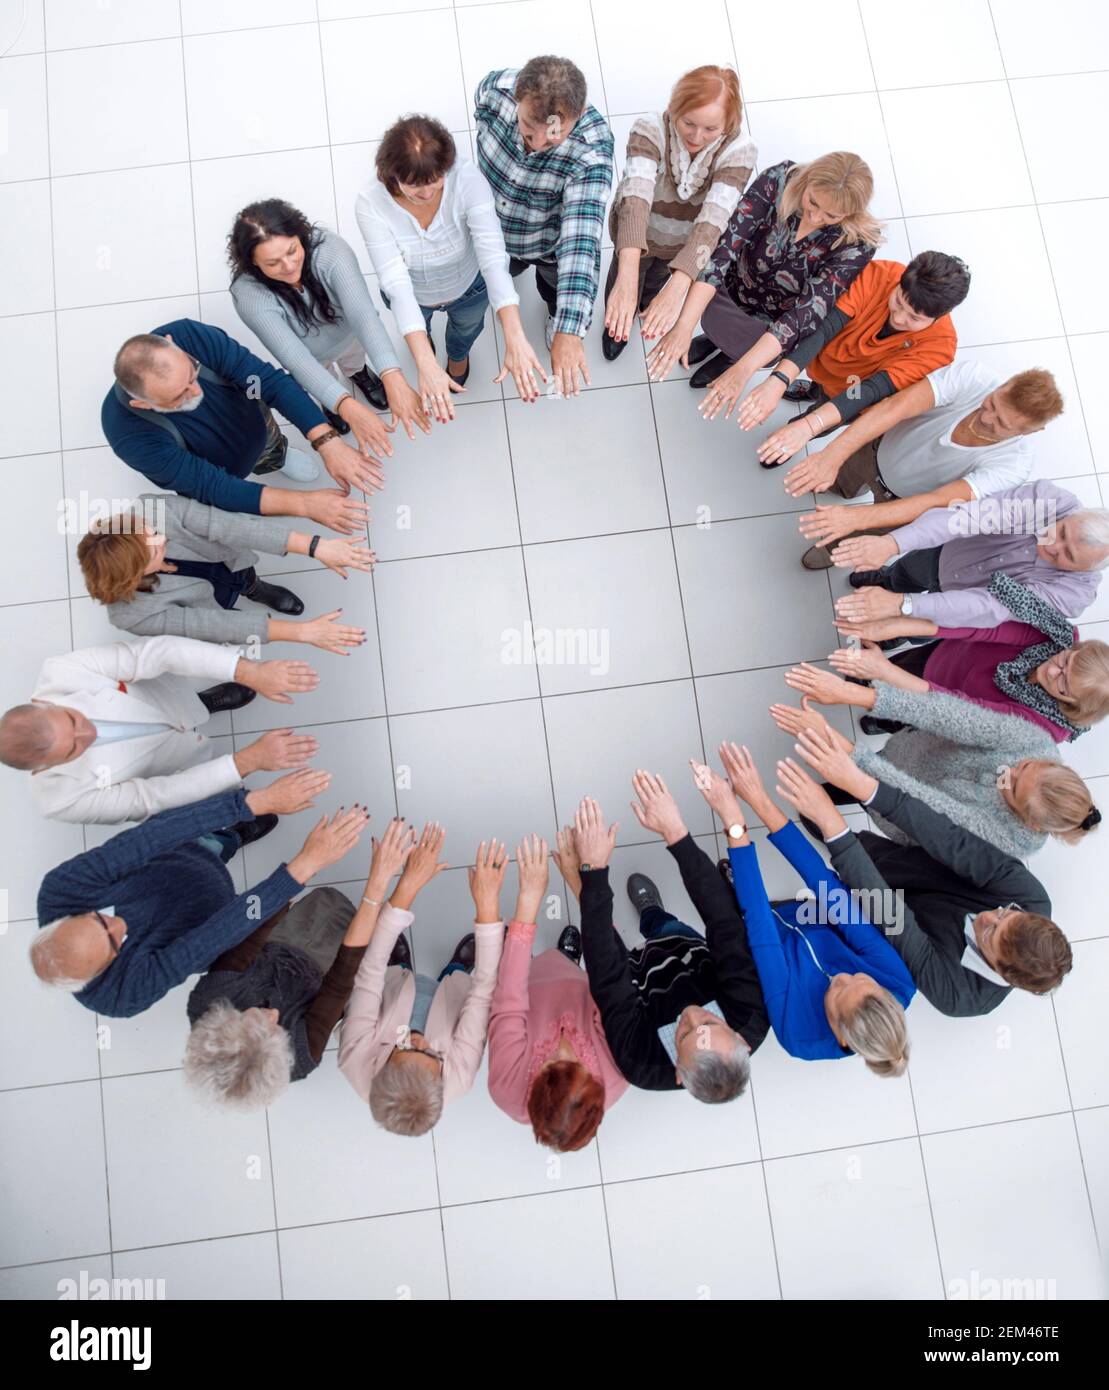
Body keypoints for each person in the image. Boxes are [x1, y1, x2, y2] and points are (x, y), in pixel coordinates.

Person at [785, 725, 1072, 1018]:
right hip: (918, 871)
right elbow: (951, 841)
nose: (988, 916)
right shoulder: (1032, 900)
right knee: (868, 851)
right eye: (1004, 913)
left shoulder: (957, 994)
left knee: (848, 875)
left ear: (1002, 972)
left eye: (991, 933)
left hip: (888, 923)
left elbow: (893, 917)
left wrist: (836, 833)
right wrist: (868, 789)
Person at [32, 779, 367, 1018]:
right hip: (206, 919)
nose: (119, 923)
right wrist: (301, 869)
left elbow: (151, 837)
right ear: (102, 971)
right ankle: (226, 846)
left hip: (180, 858)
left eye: (100, 918)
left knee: (210, 845)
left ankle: (229, 838)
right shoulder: (120, 995)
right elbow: (210, 938)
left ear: (68, 917)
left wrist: (250, 803)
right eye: (114, 943)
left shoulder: (60, 890)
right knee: (244, 916)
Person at [184, 818, 417, 1108]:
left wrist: (283, 898)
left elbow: (248, 937)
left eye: (255, 1015)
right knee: (355, 932)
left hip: (276, 944)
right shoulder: (301, 1057)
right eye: (276, 1030)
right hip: (323, 972)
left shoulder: (208, 1001)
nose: (273, 1014)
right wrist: (378, 883)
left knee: (325, 902)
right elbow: (339, 983)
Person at [712, 743, 913, 1072]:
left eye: (837, 994)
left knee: (752, 915)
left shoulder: (798, 1036)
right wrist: (758, 798)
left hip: (771, 949)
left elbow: (762, 934)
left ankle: (738, 883)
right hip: (812, 918)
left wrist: (734, 824)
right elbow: (828, 889)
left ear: (840, 1037)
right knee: (808, 901)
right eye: (857, 978)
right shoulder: (896, 981)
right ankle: (746, 883)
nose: (841, 977)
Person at [563, 783, 767, 1099]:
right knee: (666, 927)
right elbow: (724, 924)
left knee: (613, 947)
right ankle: (653, 914)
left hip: (635, 983)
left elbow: (609, 978)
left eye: (682, 1034)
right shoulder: (750, 1014)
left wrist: (590, 876)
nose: (690, 1014)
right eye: (710, 1022)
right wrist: (676, 833)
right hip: (686, 952)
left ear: (676, 1072)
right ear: (741, 1040)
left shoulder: (640, 1062)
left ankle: (635, 917)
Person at [645, 154, 882, 416]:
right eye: (812, 202)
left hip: (774, 323)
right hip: (735, 285)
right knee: (715, 323)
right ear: (807, 180)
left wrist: (744, 369)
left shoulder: (856, 244)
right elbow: (725, 247)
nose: (815, 217)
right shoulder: (779, 180)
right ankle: (713, 340)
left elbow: (807, 312)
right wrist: (684, 324)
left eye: (831, 215)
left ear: (851, 213)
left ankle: (731, 359)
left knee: (743, 350)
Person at [0, 634, 320, 824]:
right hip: (171, 767)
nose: (89, 733)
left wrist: (248, 671)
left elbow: (157, 654)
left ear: (44, 703)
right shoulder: (60, 801)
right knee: (205, 798)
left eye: (72, 720)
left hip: (165, 702)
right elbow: (153, 798)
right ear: (45, 767)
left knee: (186, 708)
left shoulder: (63, 671)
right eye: (73, 750)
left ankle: (206, 704)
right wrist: (249, 761)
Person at [101, 320, 381, 532]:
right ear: (143, 405)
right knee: (232, 491)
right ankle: (263, 466)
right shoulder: (127, 433)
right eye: (179, 396)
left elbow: (268, 382)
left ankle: (276, 459)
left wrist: (326, 441)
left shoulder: (190, 336)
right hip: (219, 469)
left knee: (269, 443)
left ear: (173, 344)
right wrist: (305, 505)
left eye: (192, 374)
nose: (196, 392)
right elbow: (212, 486)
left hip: (251, 411)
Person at [786, 360, 1064, 570]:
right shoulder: (973, 376)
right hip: (875, 450)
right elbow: (896, 407)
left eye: (1002, 423)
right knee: (843, 480)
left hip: (902, 503)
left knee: (854, 535)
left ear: (1029, 432)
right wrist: (831, 455)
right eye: (991, 404)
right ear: (1004, 384)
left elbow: (936, 501)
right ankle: (842, 487)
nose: (986, 418)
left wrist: (853, 519)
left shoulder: (1014, 465)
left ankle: (831, 549)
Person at [357, 115, 546, 418]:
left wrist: (514, 333)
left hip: (469, 287)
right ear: (391, 175)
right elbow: (395, 282)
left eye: (435, 181)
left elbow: (492, 252)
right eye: (415, 186)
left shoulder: (466, 177)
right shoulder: (370, 203)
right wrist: (424, 364)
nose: (428, 193)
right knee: (423, 339)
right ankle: (428, 351)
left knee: (466, 330)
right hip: (414, 296)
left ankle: (457, 360)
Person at [770, 692, 1099, 860]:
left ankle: (824, 808)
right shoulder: (1036, 742)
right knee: (854, 779)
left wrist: (842, 747)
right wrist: (866, 697)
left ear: (1032, 824)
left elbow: (921, 806)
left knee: (863, 789)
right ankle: (830, 794)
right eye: (1023, 766)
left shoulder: (1010, 842)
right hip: (914, 753)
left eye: (1013, 787)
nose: (1010, 771)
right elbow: (956, 717)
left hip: (904, 809)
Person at [339, 825, 506, 1136]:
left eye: (407, 1049)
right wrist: (487, 906)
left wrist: (409, 883)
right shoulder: (460, 1078)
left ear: (382, 1067)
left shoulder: (354, 1058)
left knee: (388, 964)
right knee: (459, 984)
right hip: (448, 1004)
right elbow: (483, 994)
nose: (419, 1041)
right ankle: (454, 970)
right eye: (431, 1054)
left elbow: (370, 971)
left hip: (389, 991)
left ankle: (401, 966)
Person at [229, 198, 428, 448]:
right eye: (272, 263)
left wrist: (391, 374)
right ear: (253, 263)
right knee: (321, 377)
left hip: (348, 336)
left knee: (354, 360)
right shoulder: (248, 295)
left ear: (300, 237)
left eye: (292, 250)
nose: (289, 266)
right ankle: (330, 400)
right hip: (310, 356)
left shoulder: (329, 250)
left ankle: (359, 374)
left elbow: (363, 314)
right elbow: (295, 357)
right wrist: (344, 403)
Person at [824, 571, 1109, 745]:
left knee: (904, 717)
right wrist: (897, 623)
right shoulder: (1056, 636)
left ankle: (886, 721)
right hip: (942, 657)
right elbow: (981, 627)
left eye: (1064, 685)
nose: (1052, 671)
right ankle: (868, 680)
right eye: (1065, 662)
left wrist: (884, 671)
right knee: (895, 669)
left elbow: (962, 710)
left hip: (946, 711)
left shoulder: (1043, 729)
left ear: (1072, 705)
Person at [741, 251, 970, 466]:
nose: (899, 318)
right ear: (900, 282)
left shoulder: (940, 347)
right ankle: (812, 389)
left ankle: (789, 435)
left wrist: (809, 426)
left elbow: (871, 390)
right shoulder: (881, 273)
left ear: (939, 317)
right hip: (828, 357)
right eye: (898, 302)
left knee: (819, 416)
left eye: (914, 318)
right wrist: (780, 378)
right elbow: (824, 329)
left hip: (854, 388)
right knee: (818, 382)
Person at [474, 56, 614, 400]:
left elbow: (581, 240)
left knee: (551, 288)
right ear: (517, 99)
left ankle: (554, 316)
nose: (535, 143)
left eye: (551, 137)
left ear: (577, 116)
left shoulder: (592, 151)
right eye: (526, 129)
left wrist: (569, 331)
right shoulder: (496, 90)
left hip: (545, 243)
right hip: (492, 232)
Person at [78, 494, 375, 653]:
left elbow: (231, 527)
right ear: (134, 577)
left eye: (152, 533)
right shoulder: (132, 615)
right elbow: (212, 624)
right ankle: (246, 591)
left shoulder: (152, 510)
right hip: (210, 602)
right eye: (153, 551)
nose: (162, 540)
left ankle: (254, 588)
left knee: (243, 575)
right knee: (226, 607)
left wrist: (315, 546)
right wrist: (304, 633)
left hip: (227, 561)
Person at [602, 65, 756, 362]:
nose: (697, 137)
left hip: (683, 246)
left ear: (729, 122)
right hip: (636, 235)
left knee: (657, 281)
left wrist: (680, 283)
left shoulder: (739, 151)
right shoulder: (650, 129)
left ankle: (644, 305)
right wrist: (626, 277)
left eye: (711, 129)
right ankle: (618, 320)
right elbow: (636, 198)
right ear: (675, 108)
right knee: (622, 280)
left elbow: (713, 222)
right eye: (688, 123)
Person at [488, 832, 626, 1151]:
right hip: (580, 984)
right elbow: (611, 973)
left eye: (549, 1066)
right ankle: (566, 958)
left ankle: (525, 953)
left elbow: (509, 1003)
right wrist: (583, 887)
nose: (561, 1052)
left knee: (515, 966)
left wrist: (529, 903)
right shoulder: (618, 1073)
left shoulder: (506, 1088)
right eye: (573, 1064)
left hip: (526, 990)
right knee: (572, 963)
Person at [829, 479, 1109, 627]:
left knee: (913, 623)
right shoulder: (1050, 502)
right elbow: (966, 517)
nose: (1052, 546)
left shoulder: (1074, 595)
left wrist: (905, 606)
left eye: (1068, 556)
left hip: (961, 609)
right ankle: (886, 580)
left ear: (1085, 570)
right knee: (903, 573)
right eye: (1060, 533)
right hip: (945, 555)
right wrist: (892, 543)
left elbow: (990, 606)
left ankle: (890, 631)